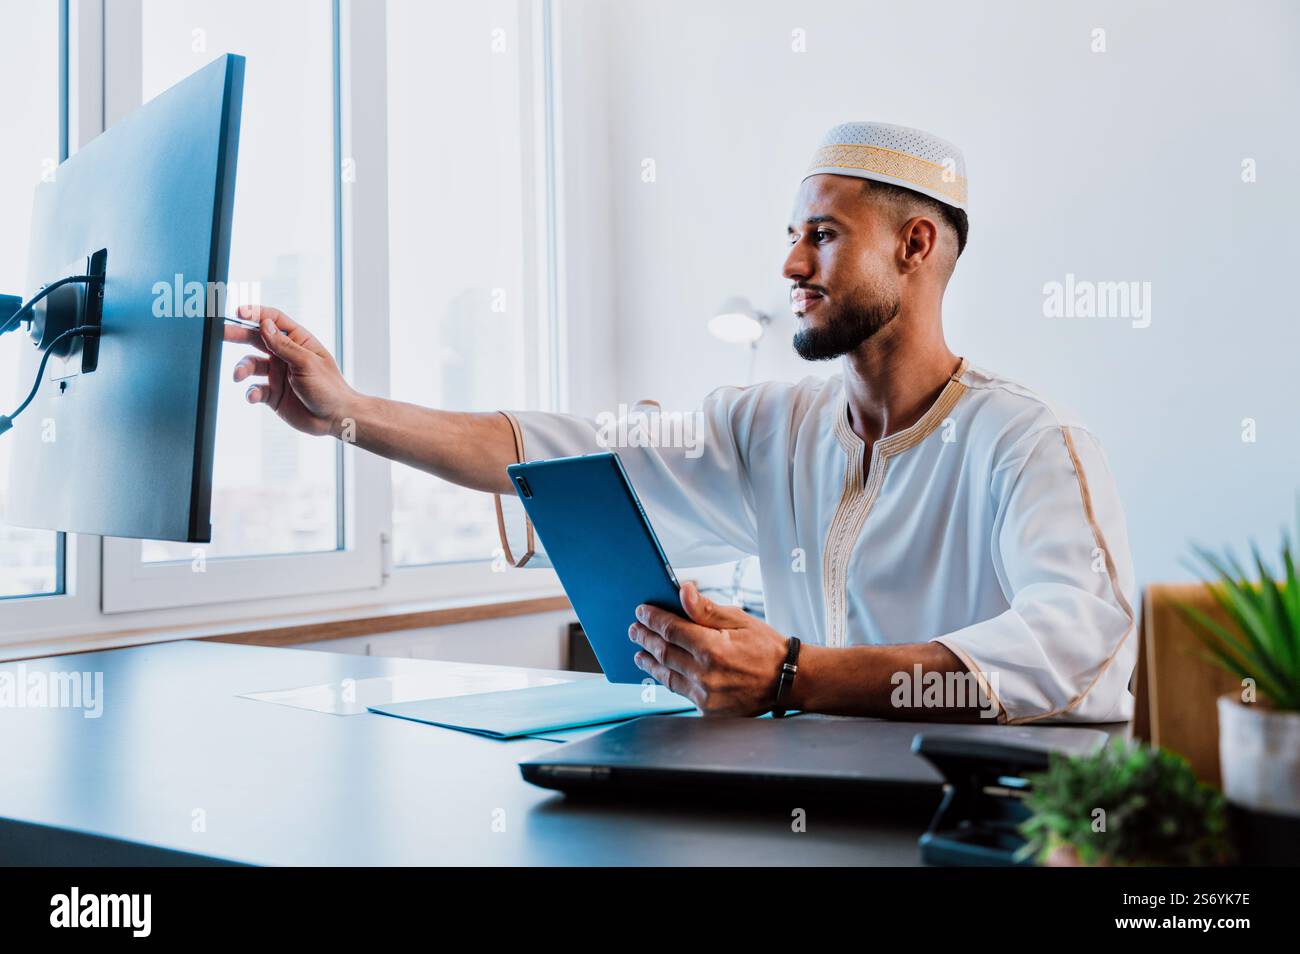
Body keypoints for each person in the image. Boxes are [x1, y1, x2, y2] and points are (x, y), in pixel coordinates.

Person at [226, 121, 1136, 725]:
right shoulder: (768, 428)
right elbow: (561, 454)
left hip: (981, 827)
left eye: (822, 234)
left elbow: (1072, 645)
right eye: (791, 233)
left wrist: (793, 673)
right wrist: (350, 412)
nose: (790, 261)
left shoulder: (1029, 444)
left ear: (915, 244)